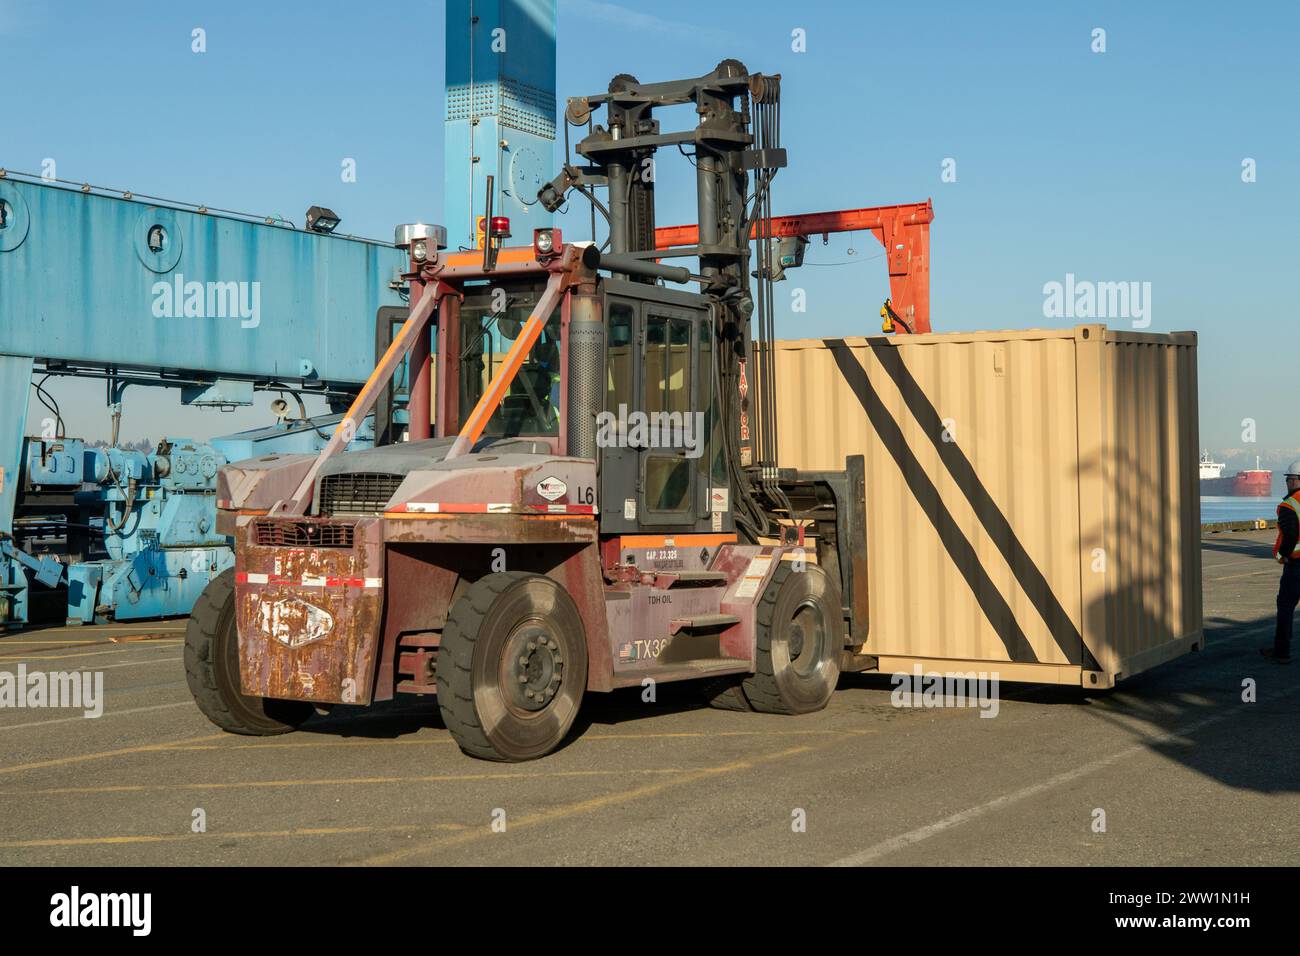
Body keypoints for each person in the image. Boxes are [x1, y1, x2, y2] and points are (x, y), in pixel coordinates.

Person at [1262, 460, 1300, 664]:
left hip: (1296, 566)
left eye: (1290, 479)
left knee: (1285, 607)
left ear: (1297, 480)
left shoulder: (1290, 504)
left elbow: (1291, 534)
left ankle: (1282, 651)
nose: (1288, 483)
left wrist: (1284, 554)